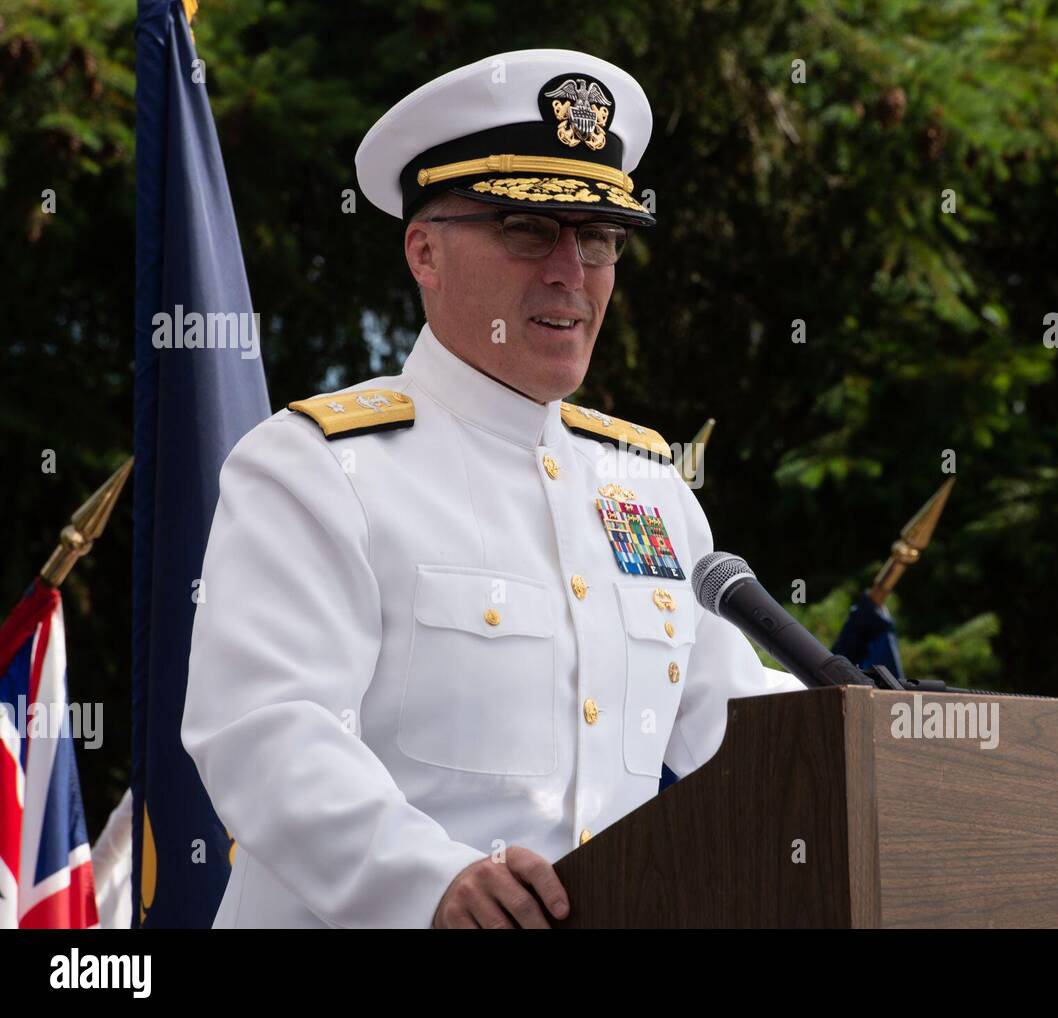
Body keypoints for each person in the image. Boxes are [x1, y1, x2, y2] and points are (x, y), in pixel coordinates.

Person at [182, 48, 805, 930]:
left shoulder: (648, 489)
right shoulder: (314, 467)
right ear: (424, 251)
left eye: (598, 240)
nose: (569, 272)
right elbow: (265, 732)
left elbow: (735, 730)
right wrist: (431, 881)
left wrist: (897, 740)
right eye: (526, 230)